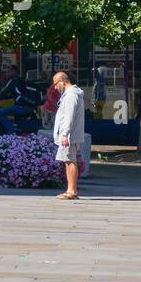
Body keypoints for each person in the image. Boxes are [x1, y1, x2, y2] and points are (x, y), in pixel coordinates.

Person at [52, 71, 85, 200]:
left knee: (70, 161)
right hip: (70, 134)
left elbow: (69, 116)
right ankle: (71, 190)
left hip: (68, 135)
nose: (55, 87)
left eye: (56, 84)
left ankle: (71, 191)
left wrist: (65, 134)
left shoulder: (71, 95)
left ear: (63, 81)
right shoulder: (72, 94)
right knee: (68, 160)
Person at [0, 64, 36, 134]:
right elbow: (11, 95)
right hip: (27, 106)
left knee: (0, 112)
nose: (7, 73)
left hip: (22, 106)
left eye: (9, 71)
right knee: (4, 110)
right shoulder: (20, 80)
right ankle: (14, 130)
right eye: (6, 72)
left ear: (14, 72)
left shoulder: (13, 81)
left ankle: (10, 133)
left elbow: (3, 93)